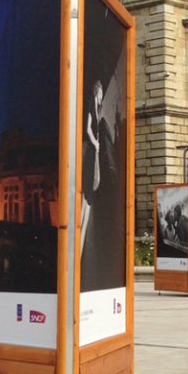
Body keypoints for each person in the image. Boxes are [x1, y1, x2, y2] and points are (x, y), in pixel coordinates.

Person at [80, 80, 104, 251]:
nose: (101, 96)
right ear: (97, 92)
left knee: (91, 188)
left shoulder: (97, 109)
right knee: (89, 186)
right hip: (90, 152)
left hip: (94, 152)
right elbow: (87, 128)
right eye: (100, 93)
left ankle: (83, 228)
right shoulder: (91, 108)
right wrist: (95, 143)